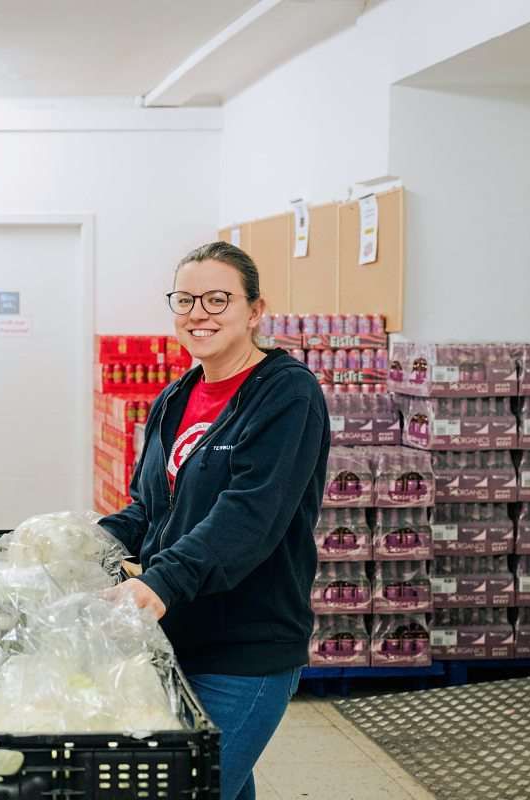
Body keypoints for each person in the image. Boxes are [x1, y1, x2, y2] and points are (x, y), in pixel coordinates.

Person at [101, 241, 329, 800]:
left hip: (245, 646)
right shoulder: (176, 396)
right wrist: (84, 542)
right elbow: (152, 509)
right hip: (174, 638)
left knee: (189, 789)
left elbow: (252, 511)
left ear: (255, 311)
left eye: (218, 299)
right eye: (185, 299)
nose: (198, 313)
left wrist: (163, 580)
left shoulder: (286, 393)